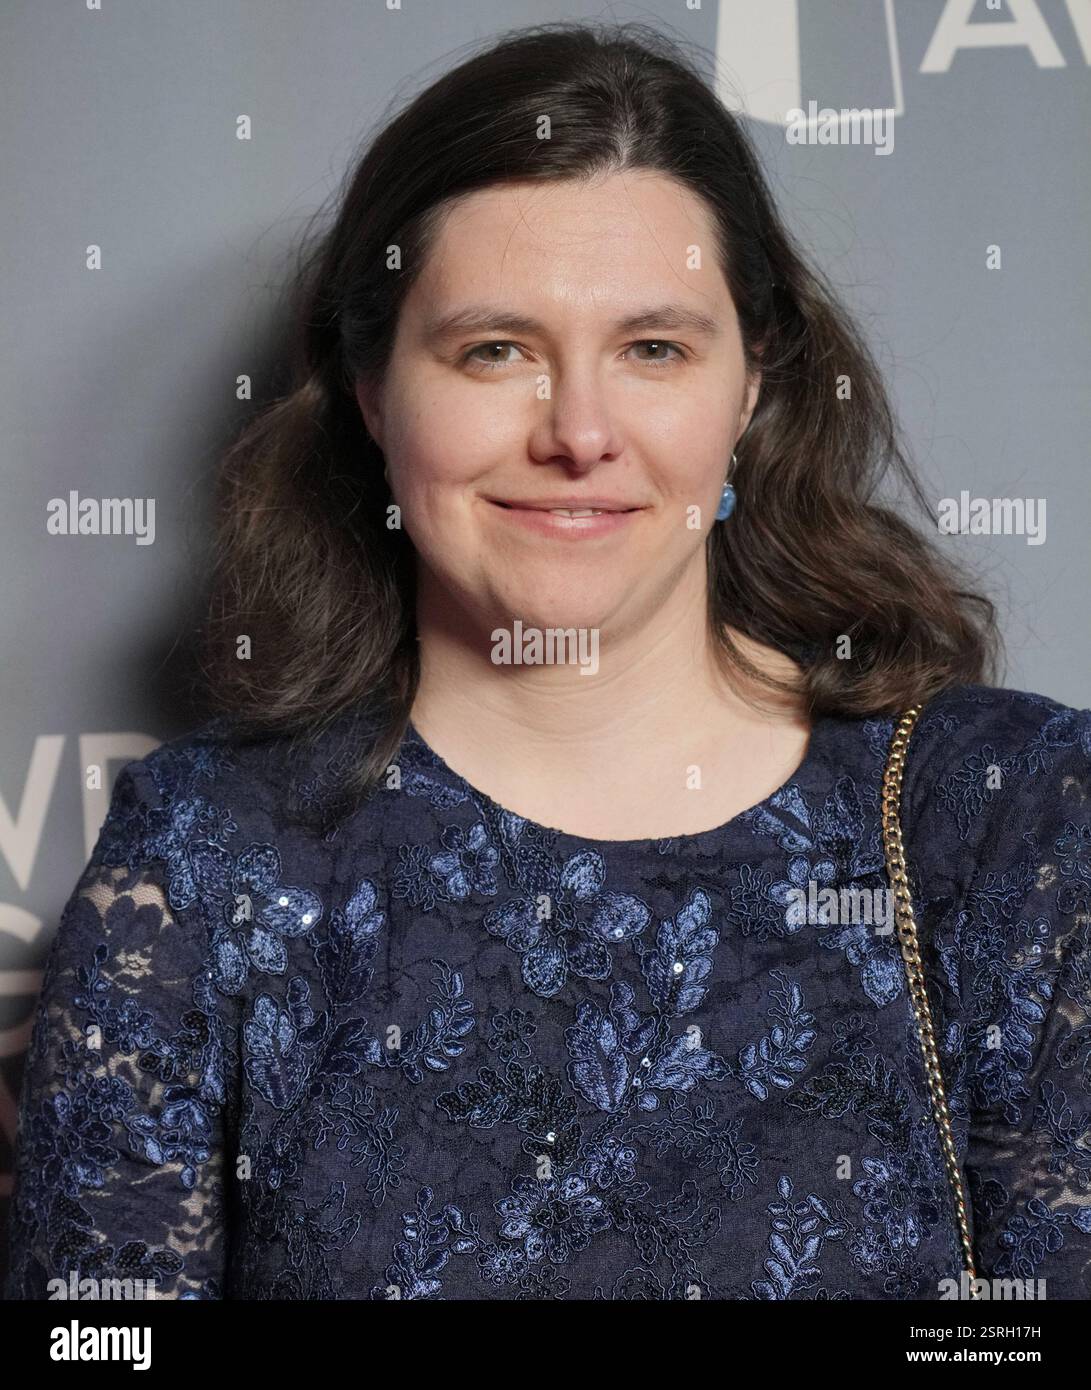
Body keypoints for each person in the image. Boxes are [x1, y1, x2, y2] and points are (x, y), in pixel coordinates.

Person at [6, 21, 1090, 1302]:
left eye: (653, 349)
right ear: (369, 389)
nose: (578, 432)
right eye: (494, 349)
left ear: (750, 388)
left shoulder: (1008, 820)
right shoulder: (208, 862)